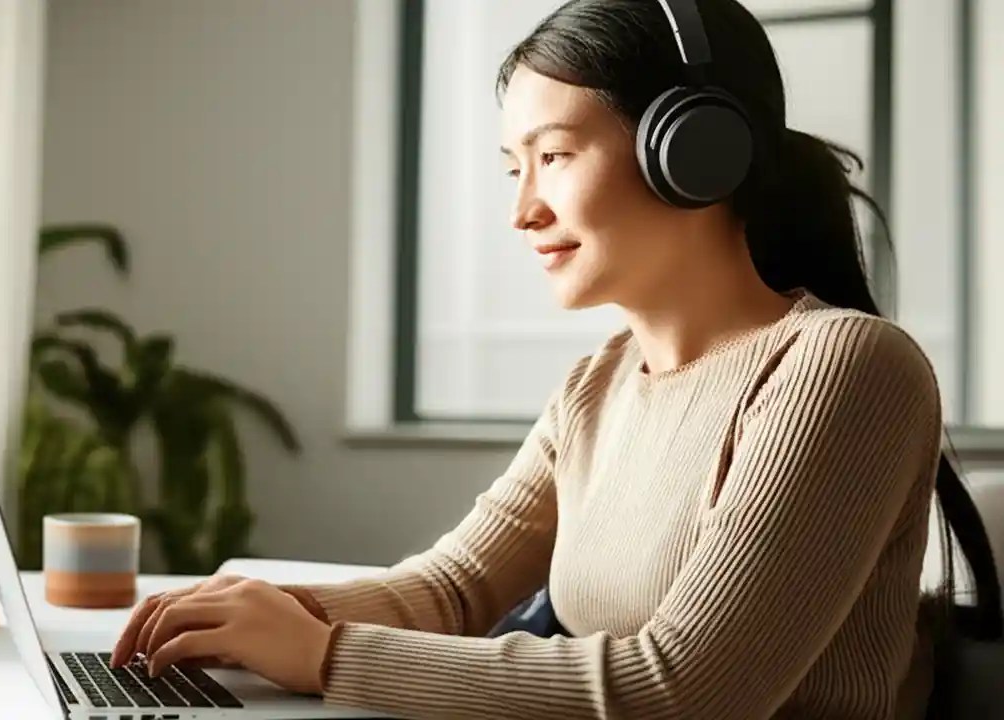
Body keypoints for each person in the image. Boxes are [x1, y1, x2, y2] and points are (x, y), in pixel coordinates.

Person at [109, 0, 1002, 717]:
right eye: (513, 169)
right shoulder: (596, 385)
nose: (523, 211)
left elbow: (689, 691)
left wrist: (323, 654)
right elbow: (454, 589)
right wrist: (256, 615)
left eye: (557, 156)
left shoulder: (844, 367)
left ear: (694, 154)